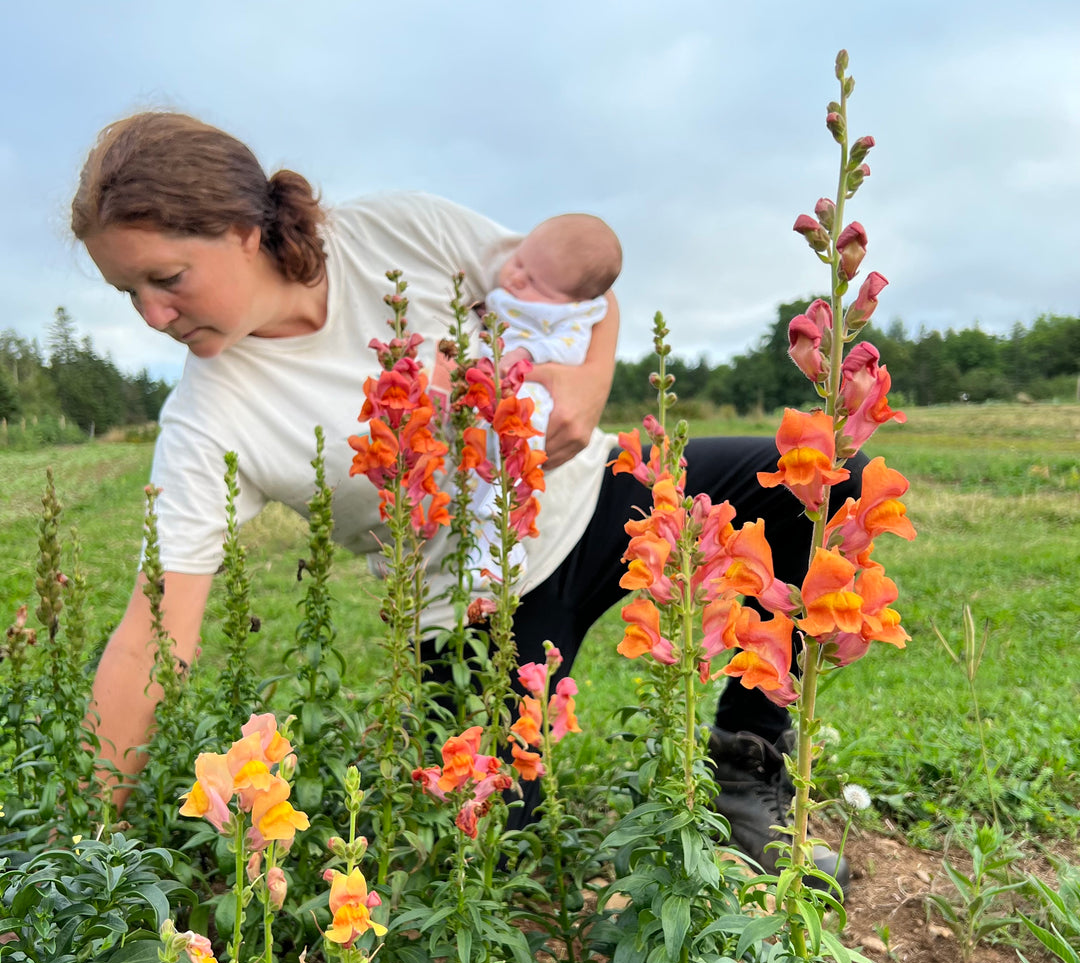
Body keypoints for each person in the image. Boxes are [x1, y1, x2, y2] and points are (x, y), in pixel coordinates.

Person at [72, 111, 859, 886]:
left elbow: (580, 279)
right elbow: (152, 632)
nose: (152, 316)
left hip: (597, 497)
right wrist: (81, 846)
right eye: (127, 292)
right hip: (472, 612)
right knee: (493, 860)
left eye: (166, 278)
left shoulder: (389, 233)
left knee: (820, 475)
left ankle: (744, 765)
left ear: (241, 228)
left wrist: (587, 383)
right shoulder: (210, 417)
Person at [469, 212, 621, 581]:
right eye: (518, 261)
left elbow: (568, 349)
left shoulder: (573, 314)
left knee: (516, 456)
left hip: (533, 394)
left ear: (570, 298)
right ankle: (484, 551)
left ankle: (506, 539)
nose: (516, 276)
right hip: (489, 397)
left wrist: (525, 356)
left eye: (533, 280)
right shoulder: (516, 292)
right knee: (479, 476)